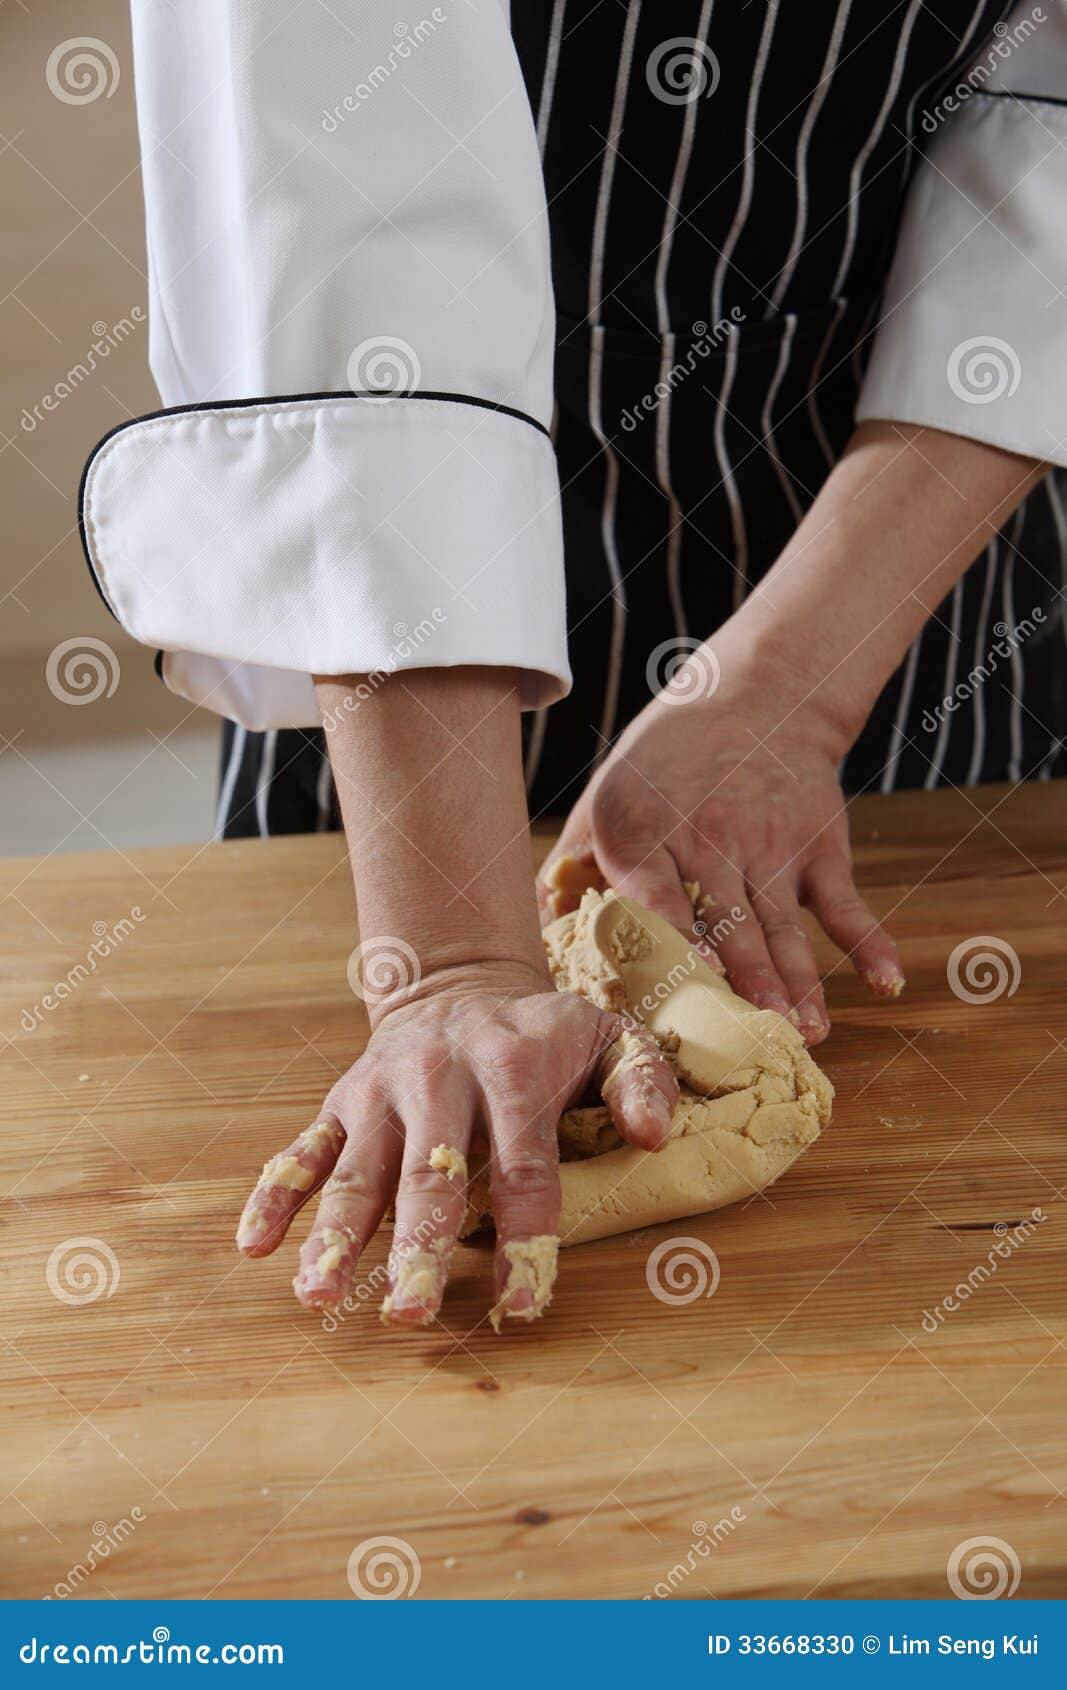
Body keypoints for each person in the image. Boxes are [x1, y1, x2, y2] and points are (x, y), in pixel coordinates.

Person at [81, 1, 1067, 1327]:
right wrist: (448, 967)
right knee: (414, 1059)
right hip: (381, 599)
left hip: (903, 509)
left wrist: (801, 682)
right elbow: (342, 155)